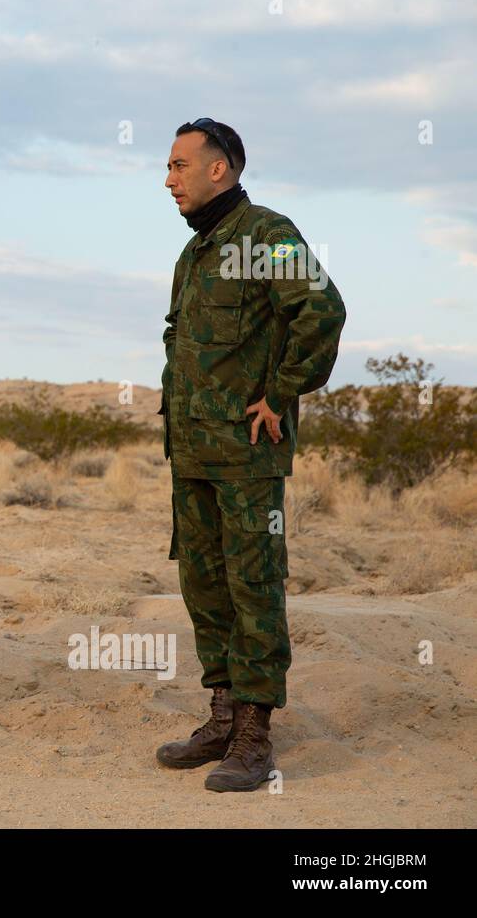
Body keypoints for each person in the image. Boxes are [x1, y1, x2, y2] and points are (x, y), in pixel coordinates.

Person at [156, 118, 346, 791]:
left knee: (253, 586)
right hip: (194, 456)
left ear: (220, 169)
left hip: (247, 456)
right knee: (204, 587)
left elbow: (323, 310)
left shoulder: (267, 235)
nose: (168, 178)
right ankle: (221, 715)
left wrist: (282, 392)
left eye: (180, 165)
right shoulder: (197, 252)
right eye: (169, 166)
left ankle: (255, 733)